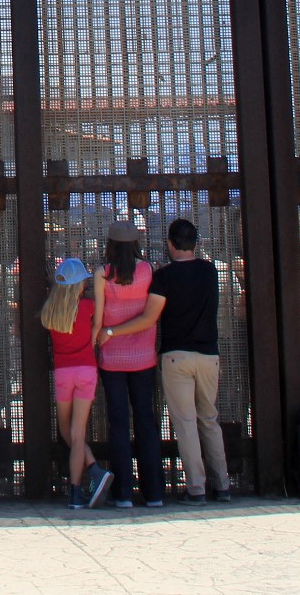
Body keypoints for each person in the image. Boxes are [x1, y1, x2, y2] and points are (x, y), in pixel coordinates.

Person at [150, 218, 232, 504]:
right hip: (209, 355)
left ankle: (196, 487)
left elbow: (152, 315)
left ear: (170, 244)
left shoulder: (163, 277)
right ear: (195, 243)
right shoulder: (210, 272)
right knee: (209, 419)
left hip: (177, 355)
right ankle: (222, 484)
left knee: (185, 423)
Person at [91, 218, 164, 508]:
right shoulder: (148, 271)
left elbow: (99, 315)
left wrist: (101, 336)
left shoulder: (102, 274)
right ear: (135, 243)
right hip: (144, 358)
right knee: (146, 421)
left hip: (111, 358)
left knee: (119, 424)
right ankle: (154, 493)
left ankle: (123, 494)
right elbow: (150, 312)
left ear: (109, 245)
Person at [43, 257, 112, 508]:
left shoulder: (51, 310)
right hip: (86, 370)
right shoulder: (88, 307)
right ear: (81, 285)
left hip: (63, 373)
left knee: (65, 430)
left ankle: (88, 477)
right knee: (78, 431)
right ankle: (83, 482)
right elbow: (97, 325)